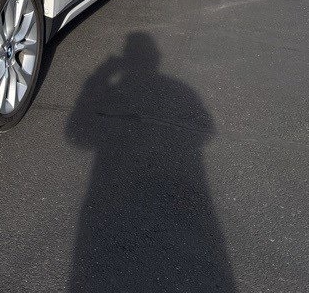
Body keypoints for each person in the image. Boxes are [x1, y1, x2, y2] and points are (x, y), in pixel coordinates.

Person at [65, 32, 236, 292]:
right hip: (172, 185)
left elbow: (78, 134)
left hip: (112, 189)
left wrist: (99, 76)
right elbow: (206, 129)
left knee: (105, 257)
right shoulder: (179, 89)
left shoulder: (121, 87)